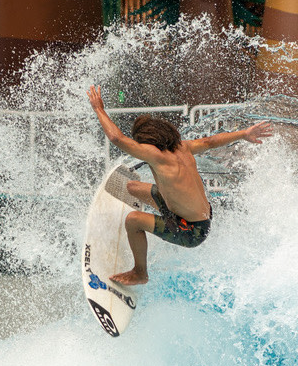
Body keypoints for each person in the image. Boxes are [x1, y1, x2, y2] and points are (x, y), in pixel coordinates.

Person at [87, 85, 273, 286]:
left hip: (191, 231)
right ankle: (142, 230)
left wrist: (99, 108)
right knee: (132, 187)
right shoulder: (184, 146)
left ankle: (140, 271)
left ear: (149, 142)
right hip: (198, 216)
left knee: (132, 220)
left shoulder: (155, 155)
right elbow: (211, 141)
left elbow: (116, 138)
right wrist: (244, 133)